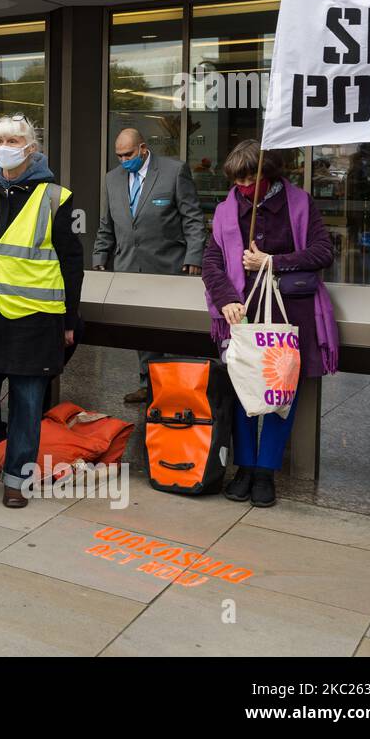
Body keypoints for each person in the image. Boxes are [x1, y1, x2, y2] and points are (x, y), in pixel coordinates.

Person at [0, 115, 83, 514]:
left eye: (13, 139)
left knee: (27, 403)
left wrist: (70, 321)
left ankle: (16, 480)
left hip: (34, 317)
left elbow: (71, 263)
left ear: (31, 147)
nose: (5, 145)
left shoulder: (55, 197)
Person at [202, 140, 339, 508]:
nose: (244, 186)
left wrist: (271, 261)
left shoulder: (300, 203)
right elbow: (212, 263)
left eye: (251, 178)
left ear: (270, 174)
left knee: (281, 398)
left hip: (290, 316)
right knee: (244, 392)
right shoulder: (225, 210)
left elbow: (323, 251)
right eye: (239, 180)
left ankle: (265, 473)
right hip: (242, 316)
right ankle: (244, 468)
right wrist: (227, 298)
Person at [92, 128, 205, 404]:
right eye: (118, 156)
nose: (123, 160)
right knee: (140, 332)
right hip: (129, 266)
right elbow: (107, 224)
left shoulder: (173, 171)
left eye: (128, 154)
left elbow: (192, 218)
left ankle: (178, 389)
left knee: (172, 331)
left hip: (170, 265)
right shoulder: (112, 179)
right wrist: (99, 258)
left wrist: (194, 256)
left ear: (143, 148)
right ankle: (148, 384)